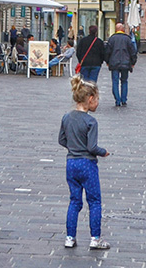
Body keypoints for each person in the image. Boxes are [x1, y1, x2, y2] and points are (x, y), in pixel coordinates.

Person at [58, 76, 110, 250]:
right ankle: (95, 238)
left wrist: (73, 147)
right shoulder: (90, 121)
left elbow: (61, 140)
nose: (97, 103)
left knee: (75, 201)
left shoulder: (66, 117)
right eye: (97, 100)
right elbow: (92, 146)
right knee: (94, 201)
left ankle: (69, 237)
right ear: (90, 99)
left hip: (71, 163)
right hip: (87, 164)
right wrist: (104, 152)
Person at [104, 23, 137, 107]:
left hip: (114, 63)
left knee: (115, 81)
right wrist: (133, 62)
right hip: (126, 63)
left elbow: (107, 51)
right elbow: (133, 51)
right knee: (124, 81)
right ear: (123, 29)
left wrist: (107, 61)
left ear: (116, 29)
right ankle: (124, 99)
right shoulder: (127, 39)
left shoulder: (112, 39)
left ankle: (117, 100)